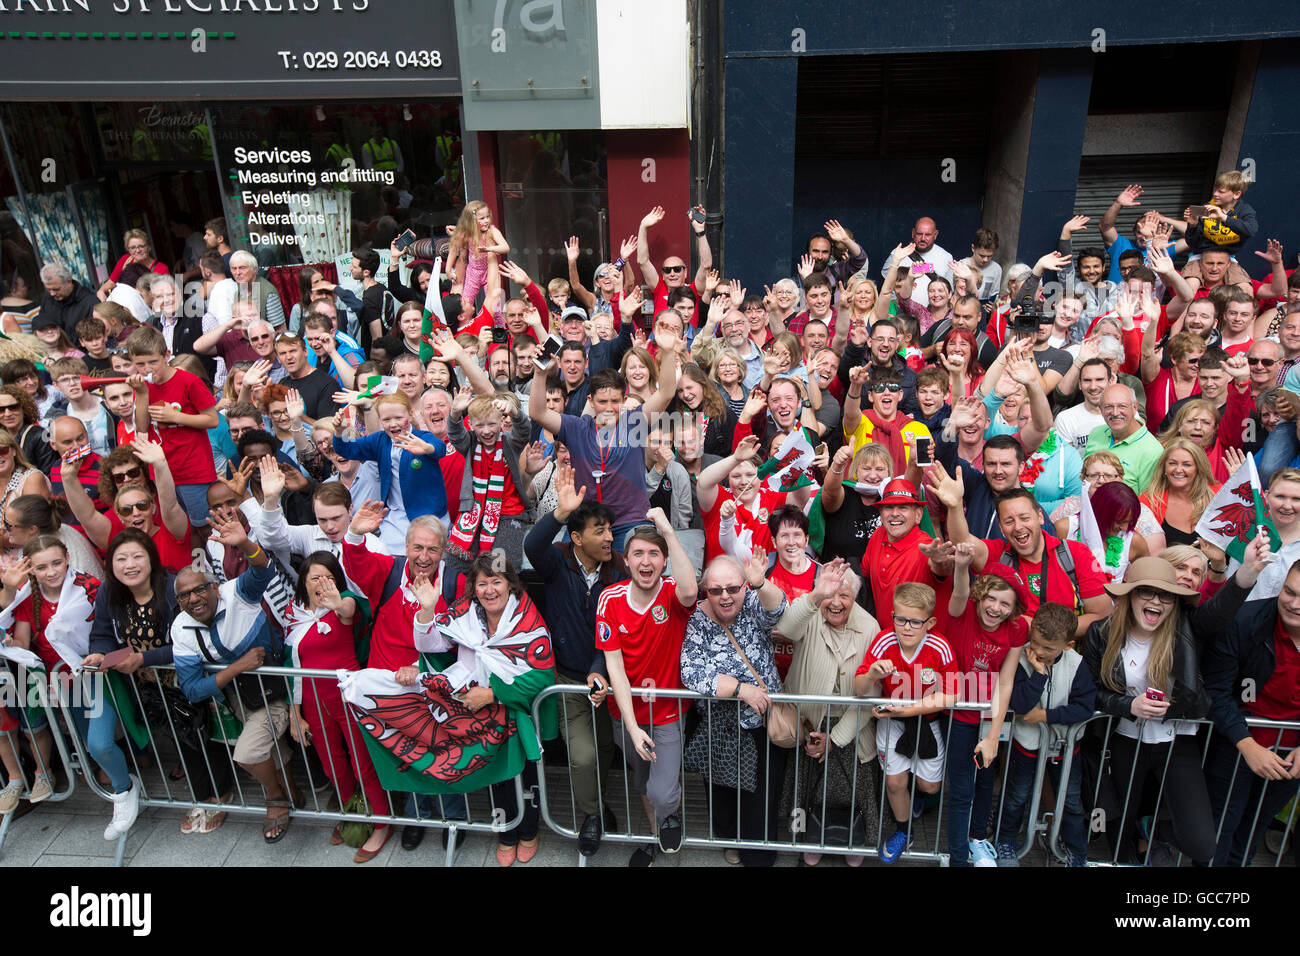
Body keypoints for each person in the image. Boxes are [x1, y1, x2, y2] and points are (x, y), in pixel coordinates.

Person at [1081, 546, 1267, 865]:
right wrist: (1128, 705)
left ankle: (1154, 829)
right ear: (1130, 595)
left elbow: (1221, 609)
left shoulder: (1187, 625)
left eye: (1165, 596)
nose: (1156, 601)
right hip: (1123, 742)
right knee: (1119, 833)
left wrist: (1248, 571)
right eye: (1147, 593)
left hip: (1177, 743)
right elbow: (1088, 693)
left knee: (1202, 844)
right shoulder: (1102, 633)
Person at [406, 550, 555, 867]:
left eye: (497, 581)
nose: (490, 590)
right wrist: (427, 610)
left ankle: (528, 832)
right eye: (483, 583)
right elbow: (431, 645)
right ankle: (506, 834)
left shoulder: (527, 619)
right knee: (497, 777)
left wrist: (493, 694)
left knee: (527, 777)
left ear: (510, 585)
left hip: (516, 715)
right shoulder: (463, 614)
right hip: (478, 721)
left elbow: (541, 675)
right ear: (473, 588)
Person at [83, 529, 233, 834]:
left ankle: (221, 795)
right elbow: (100, 634)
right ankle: (201, 797)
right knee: (183, 740)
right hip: (149, 687)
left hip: (188, 675)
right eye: (121, 558)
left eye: (137, 556)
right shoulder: (108, 592)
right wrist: (99, 654)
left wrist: (143, 659)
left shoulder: (171, 587)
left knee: (206, 736)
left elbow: (189, 638)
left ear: (151, 558)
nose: (130, 565)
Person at [172, 512, 302, 844]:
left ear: (214, 586)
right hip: (236, 697)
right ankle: (292, 792)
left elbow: (265, 570)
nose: (194, 599)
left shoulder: (237, 593)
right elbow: (191, 689)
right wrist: (238, 667)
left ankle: (276, 799)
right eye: (185, 596)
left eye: (200, 590)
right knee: (271, 750)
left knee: (247, 753)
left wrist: (244, 542)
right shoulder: (180, 628)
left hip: (272, 693)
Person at [340, 502, 465, 850]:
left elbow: (464, 644)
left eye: (432, 549)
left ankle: (453, 821)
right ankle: (416, 818)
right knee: (405, 758)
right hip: (389, 689)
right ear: (406, 547)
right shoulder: (389, 572)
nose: (424, 556)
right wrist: (354, 532)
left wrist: (423, 670)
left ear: (444, 550)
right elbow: (356, 562)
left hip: (434, 691)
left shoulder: (456, 583)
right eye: (418, 547)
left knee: (444, 756)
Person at [0, 535, 139, 839]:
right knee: (90, 744)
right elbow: (23, 643)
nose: (51, 572)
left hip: (95, 673)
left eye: (56, 563)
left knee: (99, 743)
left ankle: (124, 791)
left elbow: (110, 627)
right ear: (31, 569)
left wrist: (101, 653)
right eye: (41, 567)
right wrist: (10, 641)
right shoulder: (26, 598)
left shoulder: (89, 586)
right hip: (62, 682)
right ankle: (122, 788)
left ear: (67, 558)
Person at [524, 463, 627, 856]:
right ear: (577, 537)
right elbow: (532, 547)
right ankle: (593, 816)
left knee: (603, 751)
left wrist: (600, 674)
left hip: (604, 680)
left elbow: (613, 634)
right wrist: (560, 512)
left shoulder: (618, 572)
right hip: (566, 680)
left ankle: (595, 805)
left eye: (610, 530)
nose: (607, 538)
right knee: (582, 757)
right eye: (598, 531)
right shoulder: (557, 562)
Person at [597, 508, 698, 866]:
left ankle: (668, 815)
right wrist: (632, 726)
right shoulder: (610, 599)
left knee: (661, 789)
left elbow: (691, 590)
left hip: (668, 712)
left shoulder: (671, 592)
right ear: (626, 560)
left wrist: (669, 531)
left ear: (664, 560)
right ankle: (654, 838)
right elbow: (615, 667)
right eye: (638, 553)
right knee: (643, 783)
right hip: (627, 714)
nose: (646, 561)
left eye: (654, 554)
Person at [679, 549, 789, 867]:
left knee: (760, 797)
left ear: (743, 586)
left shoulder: (754, 603)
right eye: (716, 590)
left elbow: (778, 609)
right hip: (719, 724)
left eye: (733, 588)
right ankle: (729, 841)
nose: (725, 596)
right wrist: (741, 690)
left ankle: (758, 856)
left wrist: (760, 583)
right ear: (705, 591)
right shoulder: (697, 620)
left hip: (760, 723)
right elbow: (691, 672)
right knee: (722, 793)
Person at [285, 552, 392, 862]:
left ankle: (383, 822)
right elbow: (290, 668)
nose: (322, 584)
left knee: (362, 763)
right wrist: (295, 715)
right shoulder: (295, 615)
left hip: (347, 698)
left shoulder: (344, 601)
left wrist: (334, 600)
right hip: (314, 704)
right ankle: (354, 815)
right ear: (303, 583)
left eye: (327, 577)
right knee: (333, 766)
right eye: (314, 578)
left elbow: (348, 609)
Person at [529, 334, 680, 551]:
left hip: (630, 520)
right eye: (602, 401)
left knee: (635, 571)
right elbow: (537, 412)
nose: (609, 407)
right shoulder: (577, 427)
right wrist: (540, 373)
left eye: (615, 401)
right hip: (587, 522)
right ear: (590, 401)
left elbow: (666, 392)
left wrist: (666, 353)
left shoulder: (635, 422)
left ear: (624, 400)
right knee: (565, 569)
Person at [776, 559, 881, 866]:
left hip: (851, 723)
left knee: (854, 789)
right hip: (811, 719)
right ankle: (808, 842)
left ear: (855, 598)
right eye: (830, 595)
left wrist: (835, 738)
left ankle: (854, 841)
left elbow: (872, 693)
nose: (835, 602)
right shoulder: (811, 612)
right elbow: (785, 627)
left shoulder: (869, 626)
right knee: (806, 787)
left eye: (844, 596)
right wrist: (816, 594)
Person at [1203, 558, 1300, 866]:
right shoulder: (1246, 620)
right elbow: (1216, 690)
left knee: (1253, 828)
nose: (1294, 604)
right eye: (1290, 592)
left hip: (1291, 755)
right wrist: (1247, 745)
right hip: (1238, 743)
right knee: (1218, 831)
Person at [854, 581, 958, 864]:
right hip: (892, 722)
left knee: (930, 787)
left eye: (915, 621)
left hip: (926, 721)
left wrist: (904, 711)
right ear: (892, 616)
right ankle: (904, 831)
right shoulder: (884, 641)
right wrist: (873, 674)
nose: (907, 627)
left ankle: (919, 800)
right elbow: (860, 688)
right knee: (895, 783)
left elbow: (951, 694)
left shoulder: (940, 646)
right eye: (900, 619)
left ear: (930, 622)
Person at [933, 476, 1113, 637]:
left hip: (1061, 653)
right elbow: (962, 542)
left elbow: (1101, 615)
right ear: (1001, 528)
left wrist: (1043, 634)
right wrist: (955, 506)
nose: (1018, 527)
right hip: (1009, 655)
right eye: (1009, 521)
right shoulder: (999, 554)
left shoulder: (1075, 554)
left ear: (1040, 517)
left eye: (1025, 518)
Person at [994, 602, 1097, 867]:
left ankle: (1077, 852)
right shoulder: (1021, 659)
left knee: (1072, 800)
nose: (1038, 652)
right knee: (1016, 795)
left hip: (1065, 747)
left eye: (1048, 649)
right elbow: (1019, 703)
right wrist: (1038, 675)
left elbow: (1085, 707)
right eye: (1035, 642)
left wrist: (1046, 716)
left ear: (1068, 645)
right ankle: (1005, 842)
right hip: (1026, 743)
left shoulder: (1078, 665)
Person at [125, 325, 219, 530]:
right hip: (162, 471)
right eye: (140, 364)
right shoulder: (143, 386)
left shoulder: (188, 381)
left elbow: (212, 420)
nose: (147, 369)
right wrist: (141, 394)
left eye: (153, 362)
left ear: (167, 355)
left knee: (203, 525)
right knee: (177, 526)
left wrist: (176, 416)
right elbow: (141, 427)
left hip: (193, 469)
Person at [331, 392, 448, 552]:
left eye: (399, 418)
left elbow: (441, 449)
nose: (393, 424)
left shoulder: (422, 437)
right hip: (395, 516)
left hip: (428, 514)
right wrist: (339, 432)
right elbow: (349, 449)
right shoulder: (380, 440)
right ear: (380, 420)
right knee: (389, 560)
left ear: (410, 413)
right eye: (386, 419)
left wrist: (428, 448)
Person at [62, 437, 192, 572]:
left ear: (153, 507)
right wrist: (68, 478)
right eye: (119, 477)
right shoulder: (112, 520)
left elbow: (170, 505)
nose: (127, 479)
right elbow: (87, 516)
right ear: (119, 515)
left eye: (133, 472)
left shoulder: (166, 508)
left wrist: (160, 464)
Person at [1084, 383, 1165, 493]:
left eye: (1122, 406)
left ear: (1135, 407)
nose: (1115, 412)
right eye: (1108, 406)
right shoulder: (1096, 433)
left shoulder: (1152, 451)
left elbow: (1148, 501)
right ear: (1100, 409)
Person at [0, 383, 59, 475]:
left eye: (13, 407)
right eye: (1, 410)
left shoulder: (41, 436)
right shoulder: (1, 434)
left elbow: (49, 475)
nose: (7, 414)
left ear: (24, 408)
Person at [39, 263, 96, 341]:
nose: (52, 293)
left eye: (56, 289)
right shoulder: (48, 298)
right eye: (48, 289)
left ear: (68, 282)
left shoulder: (89, 302)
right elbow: (42, 324)